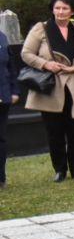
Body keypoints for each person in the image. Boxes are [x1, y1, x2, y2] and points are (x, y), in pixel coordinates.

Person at [21, 0, 74, 182]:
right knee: (54, 131)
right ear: (52, 9)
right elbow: (26, 53)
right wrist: (46, 64)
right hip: (51, 88)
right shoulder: (40, 29)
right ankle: (60, 170)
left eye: (65, 8)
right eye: (57, 8)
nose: (60, 12)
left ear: (72, 11)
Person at [0, 25, 19, 188]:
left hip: (3, 96)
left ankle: (1, 178)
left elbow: (10, 67)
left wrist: (14, 91)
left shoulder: (2, 37)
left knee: (1, 139)